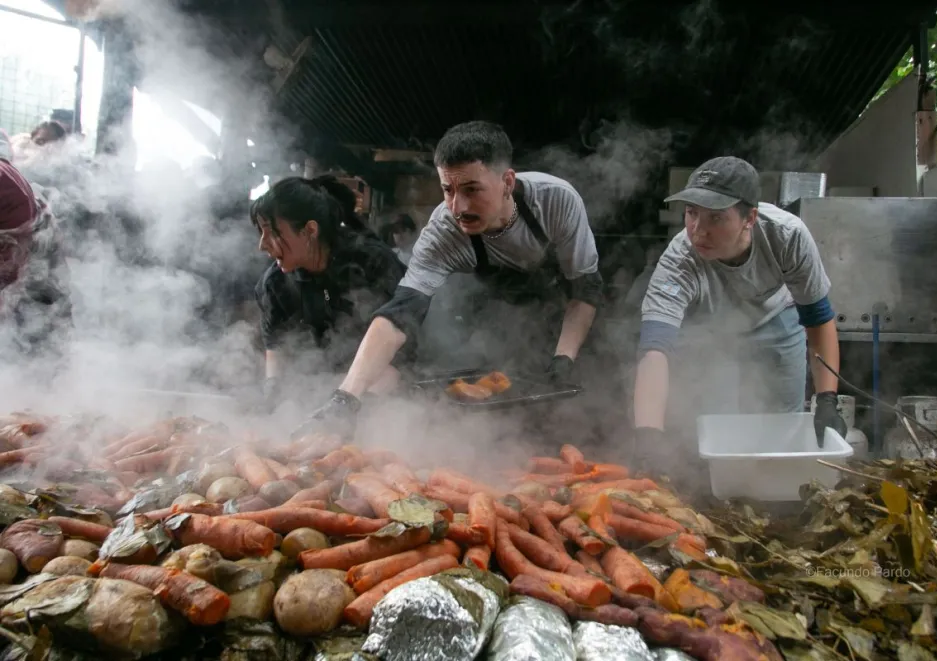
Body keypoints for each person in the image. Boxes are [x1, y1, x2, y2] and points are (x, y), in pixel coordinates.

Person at [293, 120, 605, 438]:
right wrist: (346, 398)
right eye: (448, 189)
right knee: (504, 429)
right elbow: (399, 314)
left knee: (572, 424)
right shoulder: (442, 232)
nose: (458, 207)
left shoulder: (556, 201)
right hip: (505, 321)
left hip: (566, 318)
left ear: (507, 182)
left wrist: (563, 361)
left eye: (472, 190)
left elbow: (586, 288)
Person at [632, 156, 847, 467]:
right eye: (691, 213)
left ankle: (778, 497)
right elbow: (655, 349)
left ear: (750, 218)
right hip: (712, 331)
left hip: (780, 320)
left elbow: (818, 320)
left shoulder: (787, 236)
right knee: (716, 421)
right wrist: (648, 436)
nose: (698, 231)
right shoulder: (679, 261)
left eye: (715, 218)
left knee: (781, 424)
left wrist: (827, 399)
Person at [251, 174, 408, 411]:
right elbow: (277, 352)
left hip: (389, 394)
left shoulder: (373, 263)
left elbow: (403, 355)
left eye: (271, 232)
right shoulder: (275, 284)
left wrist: (355, 410)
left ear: (309, 230)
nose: (262, 244)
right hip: (322, 393)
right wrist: (272, 401)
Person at [0, 157, 72, 366]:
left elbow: (10, 262)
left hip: (34, 246)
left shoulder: (6, 191)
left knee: (38, 332)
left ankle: (45, 385)